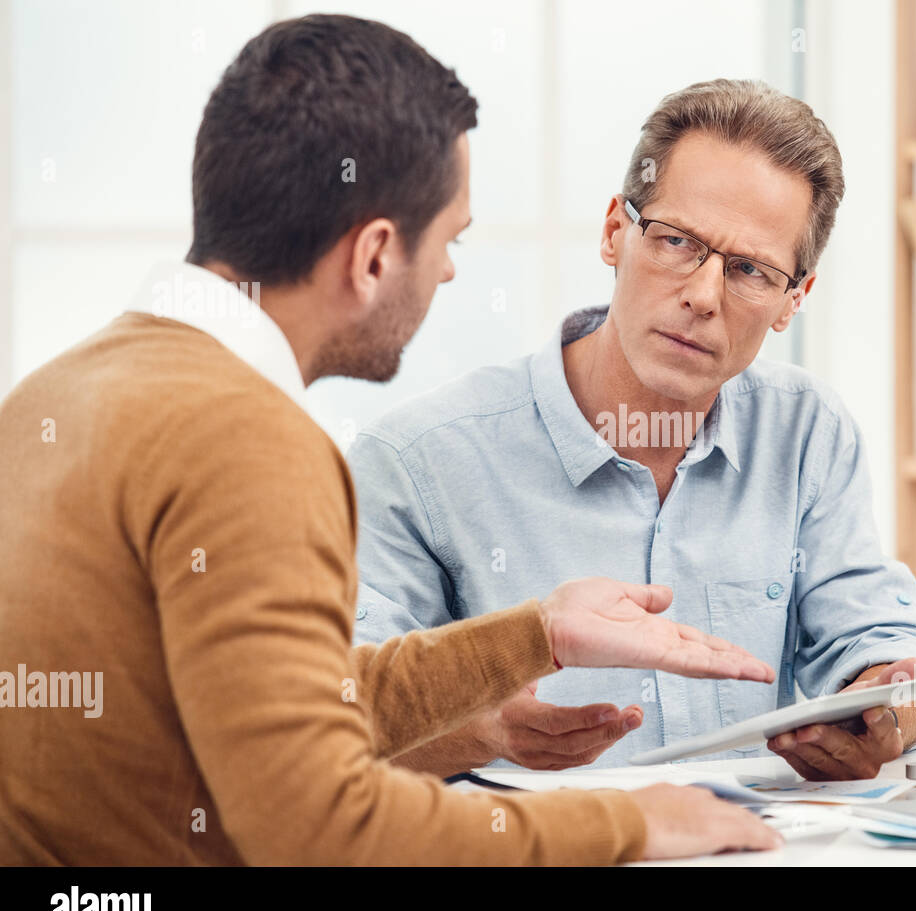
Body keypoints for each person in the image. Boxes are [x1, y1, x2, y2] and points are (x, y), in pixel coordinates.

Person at [0, 15, 782, 865]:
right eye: (447, 240)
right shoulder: (247, 441)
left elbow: (288, 707)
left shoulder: (56, 393)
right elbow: (320, 830)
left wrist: (537, 634)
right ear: (375, 255)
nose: (448, 271)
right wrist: (634, 825)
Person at [350, 79, 916, 779]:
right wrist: (479, 733)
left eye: (750, 271)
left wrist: (887, 713)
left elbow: (894, 649)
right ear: (615, 231)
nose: (702, 296)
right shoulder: (416, 460)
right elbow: (333, 729)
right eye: (675, 241)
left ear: (795, 299)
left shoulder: (807, 433)